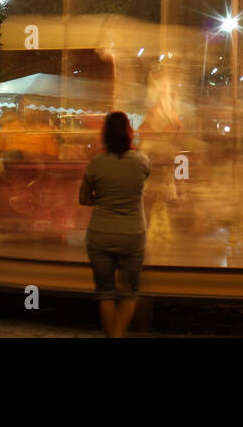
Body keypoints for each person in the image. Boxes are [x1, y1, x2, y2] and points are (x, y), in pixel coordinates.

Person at [78, 112, 150, 338]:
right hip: (133, 235)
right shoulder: (142, 162)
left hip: (100, 235)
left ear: (105, 135)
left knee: (105, 292)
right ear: (129, 133)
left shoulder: (96, 164)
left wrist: (103, 198)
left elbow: (83, 198)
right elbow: (138, 185)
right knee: (129, 292)